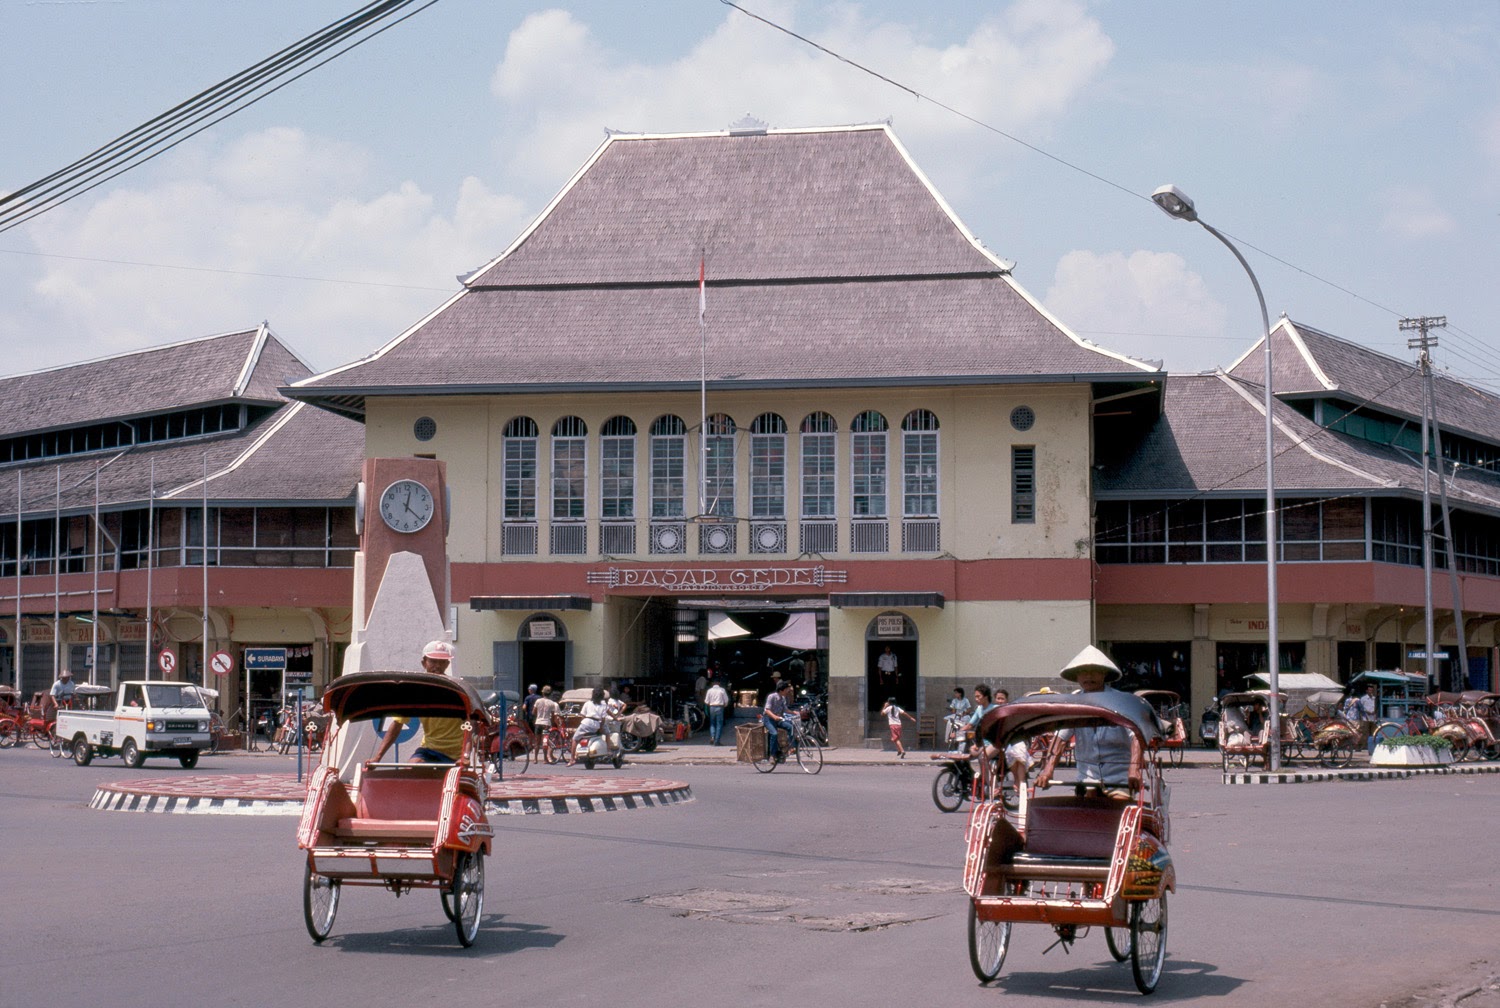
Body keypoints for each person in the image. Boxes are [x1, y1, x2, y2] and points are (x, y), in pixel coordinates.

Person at [1035, 646, 1139, 800]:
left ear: (1104, 674)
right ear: (1077, 676)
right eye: (1083, 672)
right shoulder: (1073, 703)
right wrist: (1047, 770)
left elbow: (1136, 735)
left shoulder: (1121, 701)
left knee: (1118, 812)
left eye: (1094, 671)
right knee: (1085, 815)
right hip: (1087, 779)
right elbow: (1060, 739)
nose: (1088, 676)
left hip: (1119, 778)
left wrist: (1134, 768)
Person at [371, 641, 464, 764]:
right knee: (412, 766)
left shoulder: (457, 691)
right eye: (433, 661)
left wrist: (466, 755)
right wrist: (377, 758)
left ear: (447, 664)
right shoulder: (415, 693)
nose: (437, 666)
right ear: (424, 663)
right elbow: (397, 724)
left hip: (456, 755)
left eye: (442, 662)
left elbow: (472, 724)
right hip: (429, 749)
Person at [569, 687, 610, 765]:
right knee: (607, 733)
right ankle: (608, 750)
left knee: (574, 739)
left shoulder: (587, 703)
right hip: (596, 725)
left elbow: (583, 716)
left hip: (586, 723)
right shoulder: (603, 704)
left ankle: (572, 759)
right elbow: (603, 719)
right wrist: (600, 728)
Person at [762, 680, 796, 762]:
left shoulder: (783, 698)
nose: (788, 691)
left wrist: (795, 712)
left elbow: (785, 709)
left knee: (791, 727)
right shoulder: (772, 697)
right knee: (774, 733)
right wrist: (774, 717)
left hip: (778, 719)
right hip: (768, 719)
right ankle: (772, 755)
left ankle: (791, 748)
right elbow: (767, 710)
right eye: (787, 689)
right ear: (781, 690)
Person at [531, 685, 559, 761]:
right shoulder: (552, 703)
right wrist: (553, 723)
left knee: (537, 741)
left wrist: (538, 716)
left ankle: (535, 759)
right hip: (546, 724)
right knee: (545, 741)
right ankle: (545, 759)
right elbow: (553, 716)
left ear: (543, 693)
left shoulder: (538, 701)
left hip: (538, 722)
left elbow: (533, 712)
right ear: (550, 694)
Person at [704, 677, 730, 745]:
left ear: (712, 683)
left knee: (712, 723)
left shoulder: (709, 690)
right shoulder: (722, 690)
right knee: (719, 724)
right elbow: (726, 700)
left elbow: (706, 701)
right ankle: (717, 741)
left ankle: (712, 736)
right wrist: (725, 705)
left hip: (712, 707)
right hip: (720, 707)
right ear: (719, 683)